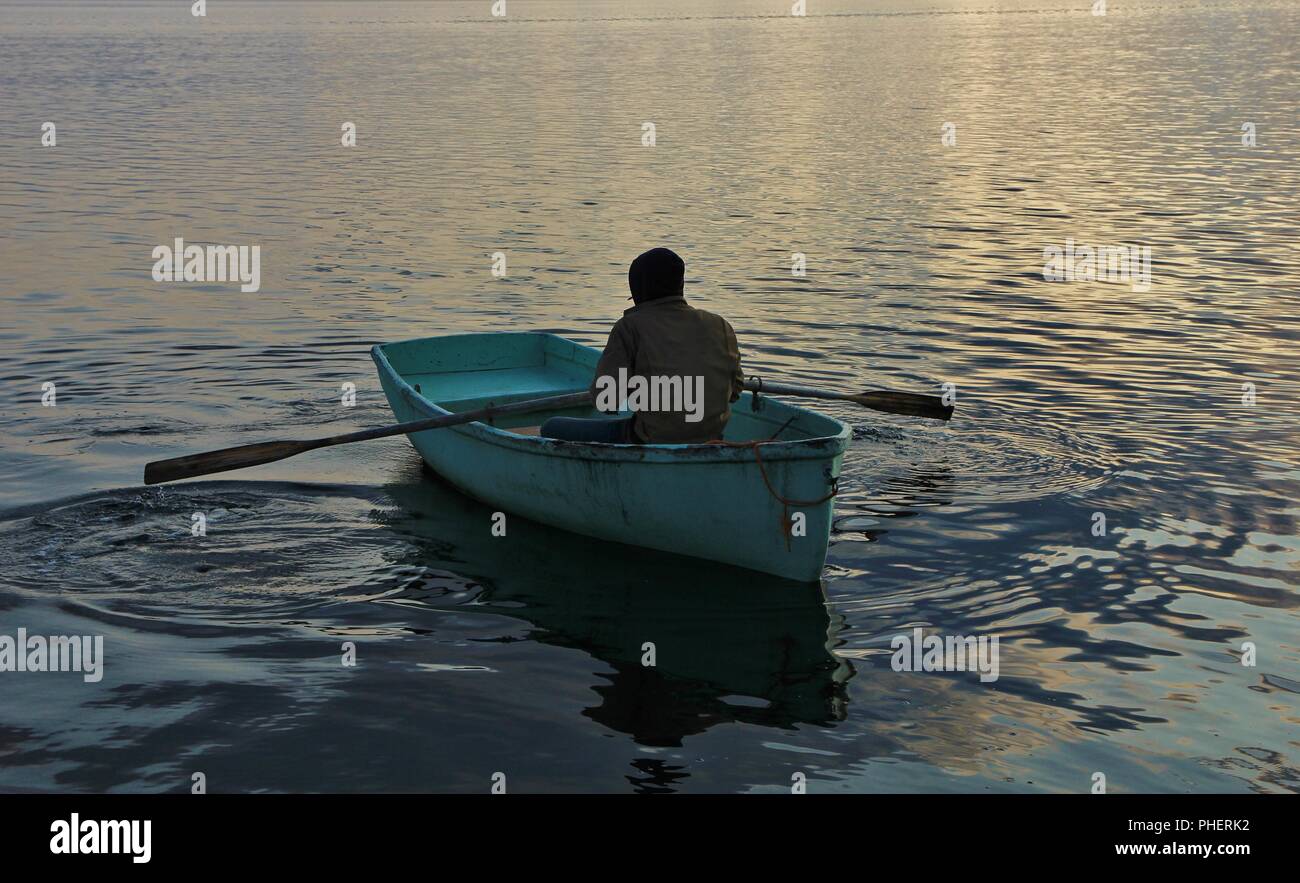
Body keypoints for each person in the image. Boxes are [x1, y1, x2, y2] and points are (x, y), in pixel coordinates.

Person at [541, 247, 744, 444]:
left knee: (552, 427)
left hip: (651, 439)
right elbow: (734, 392)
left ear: (637, 289)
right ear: (680, 283)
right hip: (712, 439)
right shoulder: (721, 325)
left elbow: (606, 400)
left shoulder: (629, 327)